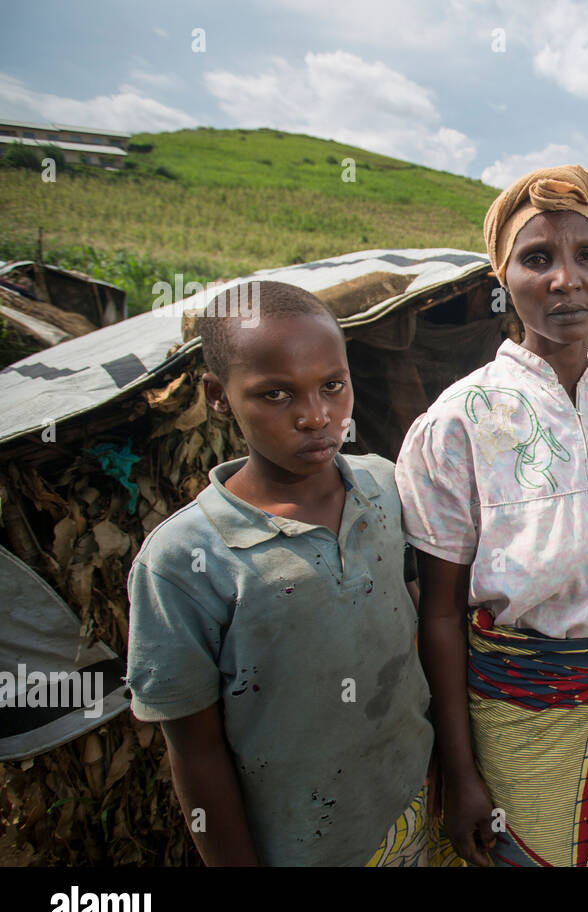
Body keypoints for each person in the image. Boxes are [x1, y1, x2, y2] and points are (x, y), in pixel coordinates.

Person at [395, 165, 588, 867]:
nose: (566, 279)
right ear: (504, 276)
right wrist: (461, 773)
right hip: (521, 720)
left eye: (587, 255)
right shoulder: (462, 422)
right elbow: (438, 615)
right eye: (537, 258)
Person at [125, 280, 434, 866]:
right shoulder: (185, 559)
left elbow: (414, 618)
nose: (316, 417)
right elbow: (196, 750)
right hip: (303, 846)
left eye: (332, 386)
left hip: (415, 810)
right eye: (275, 395)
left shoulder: (385, 486)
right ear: (218, 395)